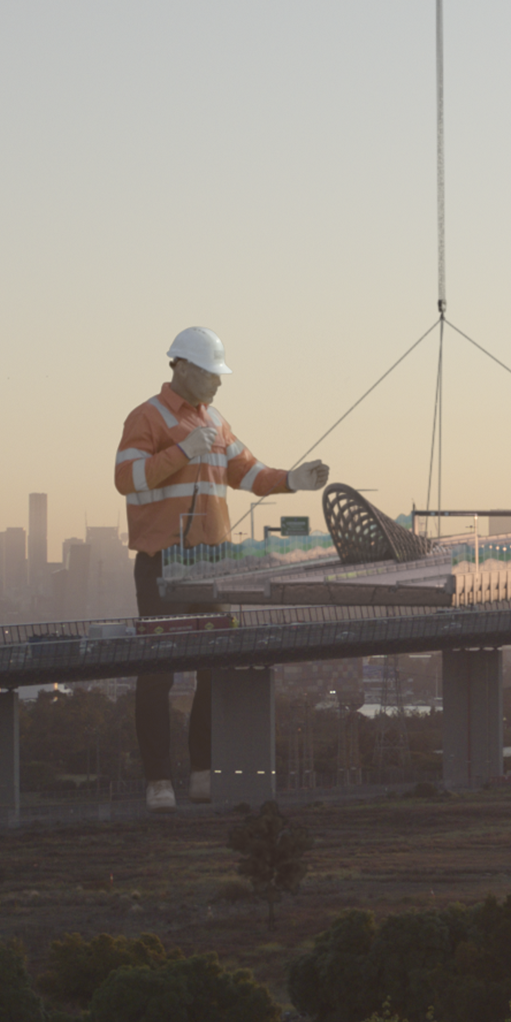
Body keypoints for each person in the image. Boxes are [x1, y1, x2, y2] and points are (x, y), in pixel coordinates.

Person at [114, 326, 329, 811]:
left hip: (210, 568)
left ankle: (201, 773)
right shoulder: (147, 417)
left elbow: (248, 473)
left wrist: (292, 480)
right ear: (183, 368)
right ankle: (157, 782)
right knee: (157, 674)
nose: (218, 382)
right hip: (161, 565)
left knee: (215, 668)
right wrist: (182, 452)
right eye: (212, 373)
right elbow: (126, 478)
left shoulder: (217, 423)